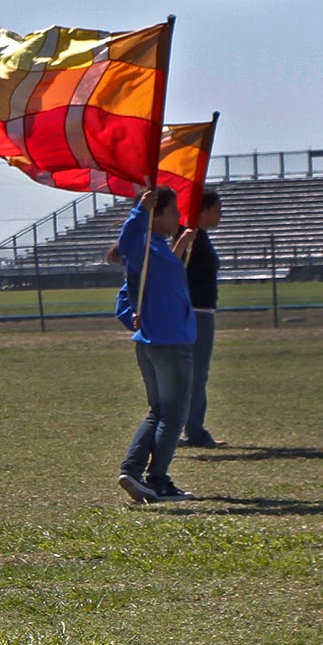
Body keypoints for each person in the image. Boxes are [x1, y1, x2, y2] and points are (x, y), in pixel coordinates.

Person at [115, 186, 198, 504]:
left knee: (160, 412)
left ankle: (132, 472)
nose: (178, 215)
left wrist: (183, 243)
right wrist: (140, 211)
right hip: (169, 342)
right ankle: (158, 480)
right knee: (175, 415)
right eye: (174, 210)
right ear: (157, 213)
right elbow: (127, 244)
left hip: (159, 341)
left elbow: (162, 277)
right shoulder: (143, 244)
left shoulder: (157, 247)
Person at [179, 189, 225, 448]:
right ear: (203, 211)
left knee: (194, 374)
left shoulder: (199, 237)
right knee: (196, 374)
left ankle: (188, 427)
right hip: (196, 313)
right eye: (217, 210)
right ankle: (193, 430)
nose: (220, 215)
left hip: (201, 312)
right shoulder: (192, 238)